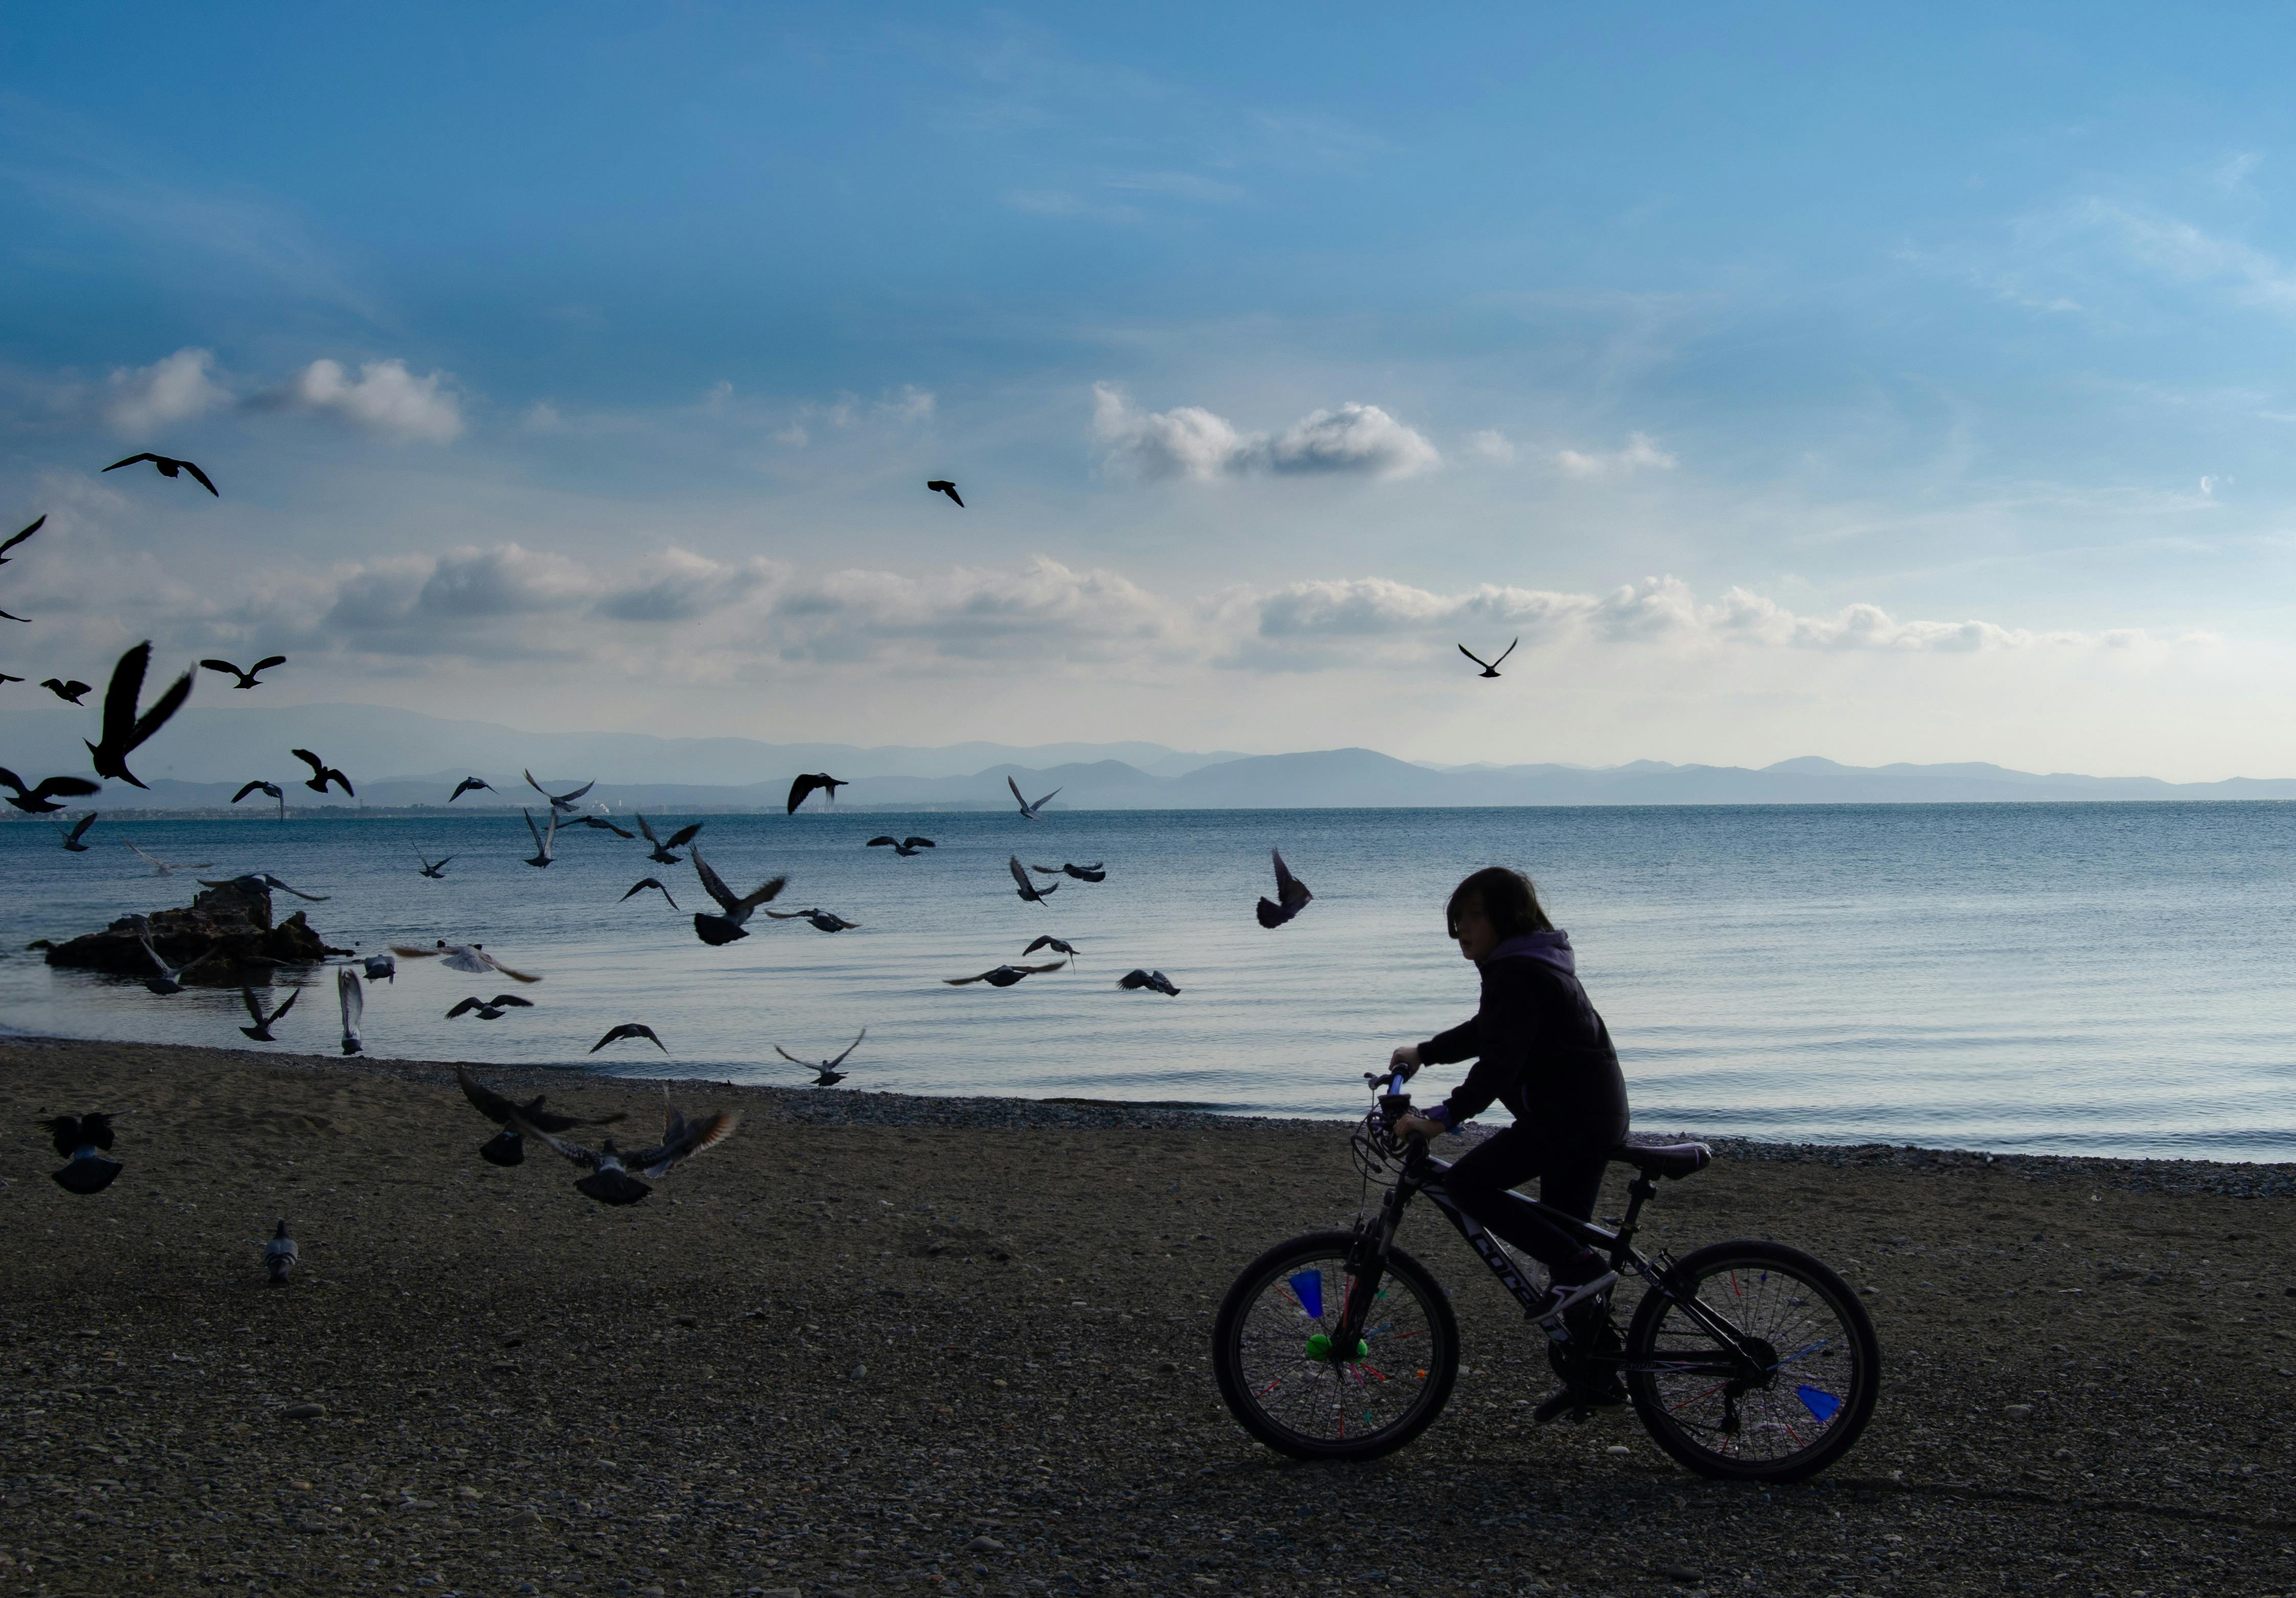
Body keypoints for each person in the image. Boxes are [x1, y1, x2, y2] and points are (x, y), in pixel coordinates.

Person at [1390, 865, 1631, 1422]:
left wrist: (1442, 1117)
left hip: (1568, 1118)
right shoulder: (1525, 966)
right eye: (1458, 918)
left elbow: (1499, 1063)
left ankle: (1583, 1280)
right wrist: (1424, 1052)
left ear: (1508, 916)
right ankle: (1596, 1375)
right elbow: (1487, 1030)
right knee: (1566, 1251)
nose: (1462, 929)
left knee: (1468, 1184)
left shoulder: (1518, 973)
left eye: (1474, 915)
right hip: (1585, 1115)